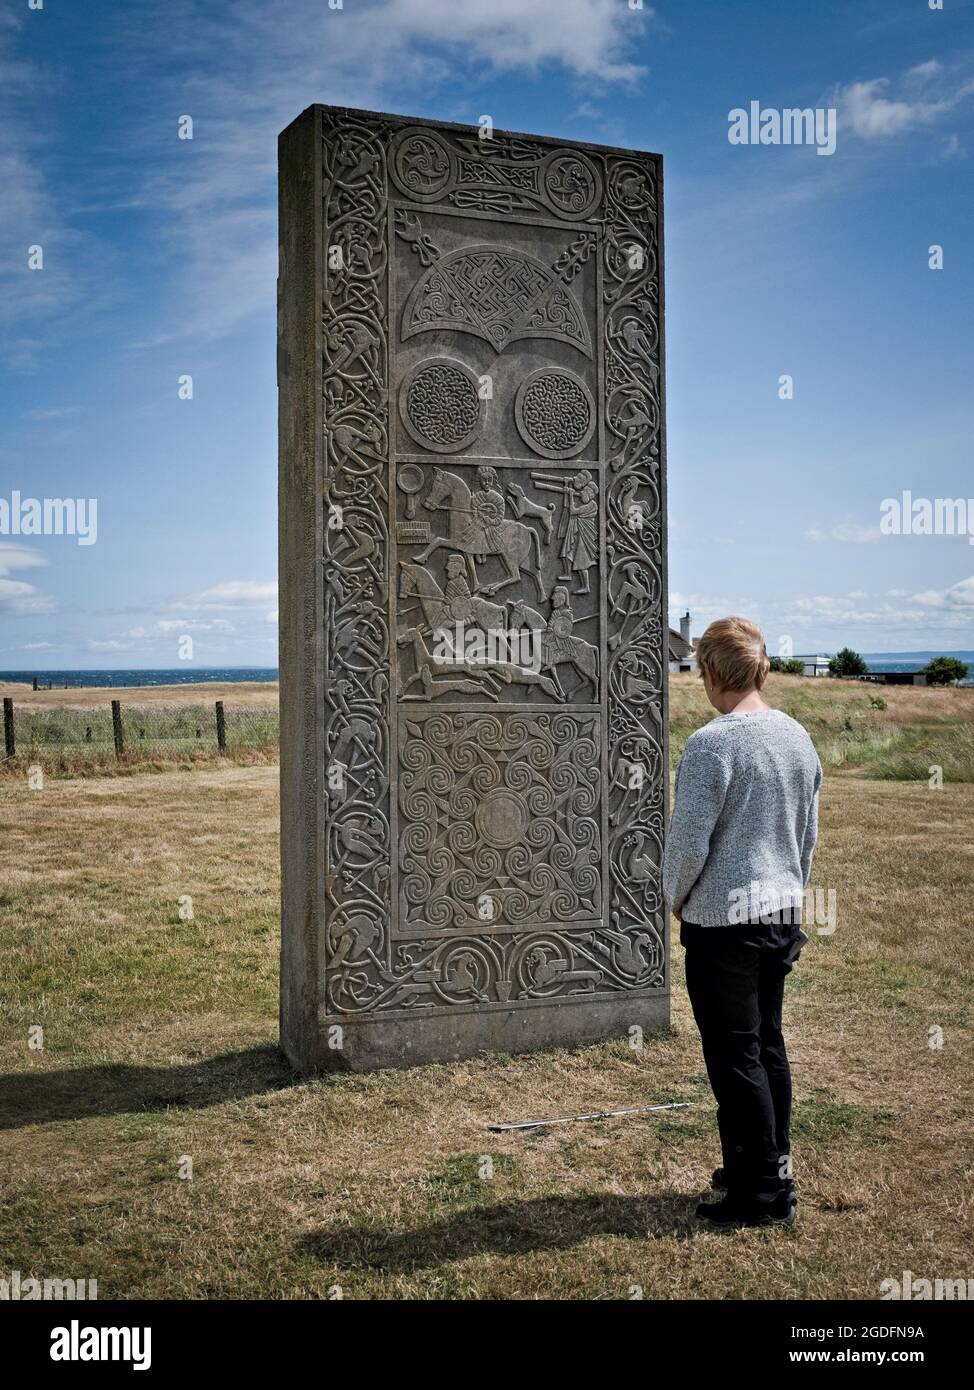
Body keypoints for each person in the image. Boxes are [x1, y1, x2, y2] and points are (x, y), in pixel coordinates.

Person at [662, 617, 823, 1229]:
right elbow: (807, 835)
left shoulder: (712, 744)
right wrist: (792, 889)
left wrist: (674, 897)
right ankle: (767, 1167)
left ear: (709, 672)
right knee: (767, 1046)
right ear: (762, 669)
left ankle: (759, 1194)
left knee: (736, 1057)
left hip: (725, 924)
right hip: (780, 914)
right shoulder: (797, 738)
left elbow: (686, 846)